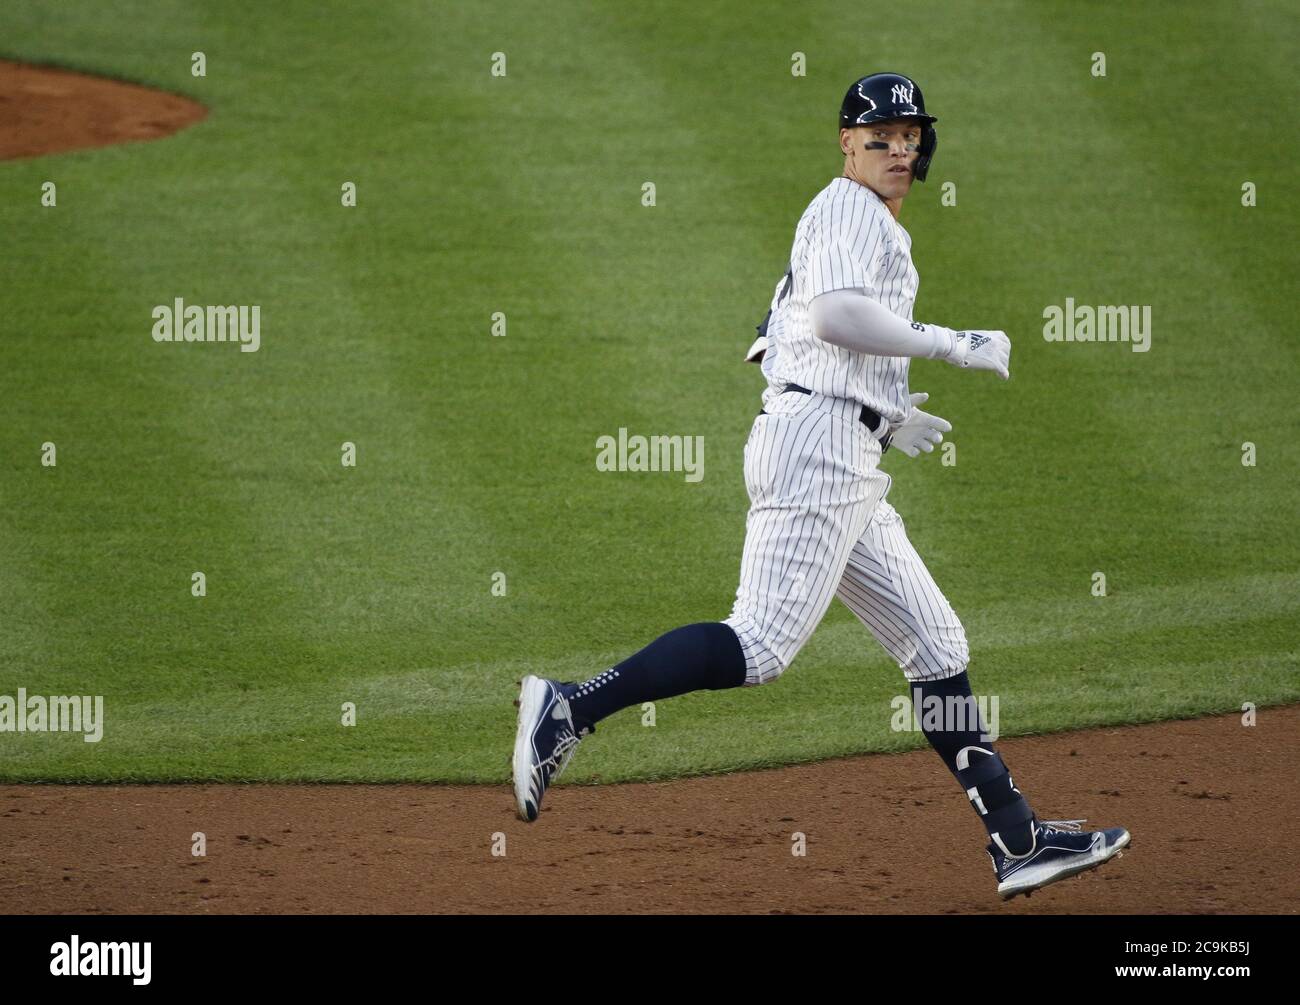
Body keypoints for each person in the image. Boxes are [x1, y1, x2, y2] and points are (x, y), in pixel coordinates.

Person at [512, 72, 1130, 899]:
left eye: (910, 137)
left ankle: (1017, 837)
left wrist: (887, 411)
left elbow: (783, 336)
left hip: (838, 446)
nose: (899, 151)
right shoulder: (846, 208)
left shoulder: (850, 218)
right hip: (820, 449)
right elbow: (837, 317)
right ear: (848, 144)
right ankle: (568, 707)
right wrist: (947, 344)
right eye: (881, 138)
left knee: (937, 645)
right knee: (761, 642)